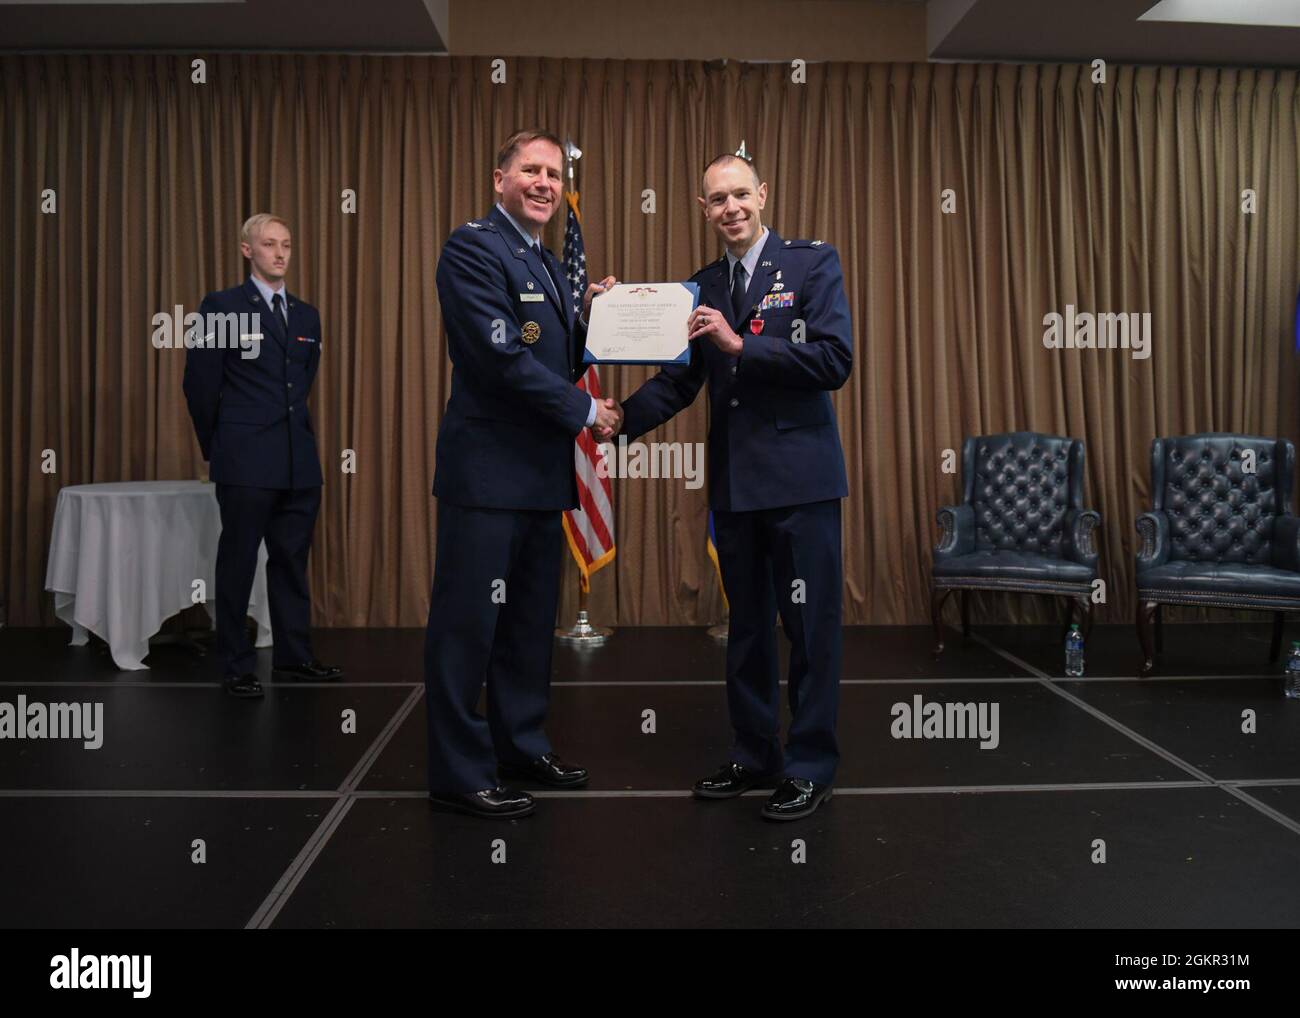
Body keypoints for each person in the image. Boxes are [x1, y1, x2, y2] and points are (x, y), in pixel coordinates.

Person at [611, 154, 852, 820]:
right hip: (737, 486)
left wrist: (746, 348)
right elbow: (681, 379)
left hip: (802, 484)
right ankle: (753, 755)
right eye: (718, 200)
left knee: (809, 631)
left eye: (741, 194)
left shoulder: (812, 264)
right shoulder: (701, 286)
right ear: (703, 208)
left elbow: (835, 359)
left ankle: (809, 765)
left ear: (763, 195)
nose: (732, 208)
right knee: (744, 629)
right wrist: (621, 418)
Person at [425, 129, 619, 819]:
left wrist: (597, 314)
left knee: (530, 627)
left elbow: (550, 355)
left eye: (553, 173)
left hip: (539, 474)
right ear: (499, 178)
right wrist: (584, 409)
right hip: (487, 476)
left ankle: (521, 746)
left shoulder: (540, 261)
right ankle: (457, 771)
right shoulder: (475, 247)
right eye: (530, 170)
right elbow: (501, 359)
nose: (544, 182)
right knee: (468, 627)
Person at [183, 213, 342, 699]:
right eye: (270, 244)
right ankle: (235, 663)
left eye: (287, 245)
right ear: (247, 250)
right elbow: (200, 385)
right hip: (245, 459)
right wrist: (220, 447)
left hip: (298, 460)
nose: (280, 253)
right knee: (238, 561)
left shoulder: (307, 314)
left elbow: (302, 384)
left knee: (292, 560)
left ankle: (294, 657)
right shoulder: (222, 307)